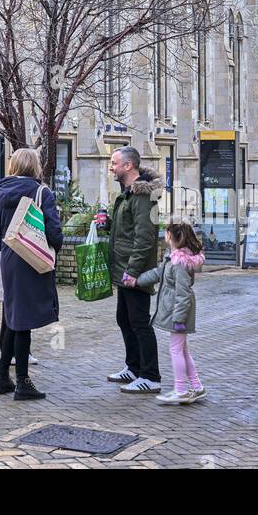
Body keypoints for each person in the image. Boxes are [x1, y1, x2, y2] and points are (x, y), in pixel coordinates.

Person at [0, 147, 62, 401]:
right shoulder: (42, 192)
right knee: (23, 322)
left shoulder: (0, 191)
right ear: (35, 166)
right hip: (31, 261)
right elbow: (54, 231)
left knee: (11, 317)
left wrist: (11, 250)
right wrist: (51, 249)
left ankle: (2, 378)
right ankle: (23, 381)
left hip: (8, 259)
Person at [97, 146, 163, 394]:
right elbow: (126, 230)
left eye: (114, 163)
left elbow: (145, 237)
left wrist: (134, 271)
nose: (111, 167)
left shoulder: (144, 197)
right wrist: (107, 225)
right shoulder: (126, 195)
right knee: (124, 319)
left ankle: (151, 375)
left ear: (128, 166)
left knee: (139, 322)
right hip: (123, 269)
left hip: (133, 271)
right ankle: (133, 367)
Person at [124, 220, 206, 405]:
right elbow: (156, 273)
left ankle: (181, 390)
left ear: (172, 237)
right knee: (182, 350)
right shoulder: (173, 258)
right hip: (176, 311)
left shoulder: (180, 263)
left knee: (176, 350)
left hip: (178, 313)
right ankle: (196, 386)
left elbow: (183, 293)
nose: (165, 236)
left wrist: (179, 319)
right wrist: (136, 281)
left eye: (167, 233)